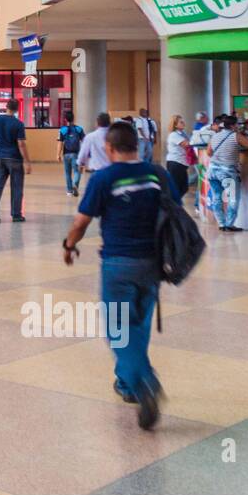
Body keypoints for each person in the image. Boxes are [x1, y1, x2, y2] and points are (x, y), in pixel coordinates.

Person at [61, 121, 178, 430]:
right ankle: (127, 384)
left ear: (109, 148)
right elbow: (175, 213)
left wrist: (69, 246)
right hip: (153, 264)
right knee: (138, 324)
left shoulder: (104, 178)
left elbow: (81, 222)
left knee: (118, 330)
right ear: (138, 146)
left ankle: (147, 383)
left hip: (118, 264)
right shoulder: (159, 174)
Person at [0, 99, 30, 222]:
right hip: (14, 158)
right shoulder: (18, 124)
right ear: (16, 109)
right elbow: (21, 144)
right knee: (17, 187)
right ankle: (16, 214)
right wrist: (27, 161)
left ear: (6, 107)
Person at [207, 114, 248, 232]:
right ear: (234, 125)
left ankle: (221, 224)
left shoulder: (215, 136)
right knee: (233, 199)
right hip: (227, 173)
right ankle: (229, 224)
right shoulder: (235, 136)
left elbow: (209, 152)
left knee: (216, 198)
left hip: (212, 171)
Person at [57, 110, 85, 197]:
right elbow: (84, 142)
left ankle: (69, 191)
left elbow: (60, 143)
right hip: (76, 154)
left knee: (67, 173)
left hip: (66, 154)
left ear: (65, 119)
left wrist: (58, 154)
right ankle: (75, 185)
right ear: (74, 118)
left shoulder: (62, 129)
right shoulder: (79, 129)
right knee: (77, 171)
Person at [164, 114, 193, 200]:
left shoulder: (182, 133)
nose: (183, 123)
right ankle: (173, 205)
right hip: (175, 163)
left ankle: (175, 203)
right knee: (176, 187)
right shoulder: (174, 135)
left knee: (184, 187)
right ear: (175, 124)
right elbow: (186, 144)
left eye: (183, 121)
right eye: (181, 122)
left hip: (181, 163)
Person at [76, 112, 112, 176]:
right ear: (109, 123)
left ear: (97, 123)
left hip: (97, 171)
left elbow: (84, 152)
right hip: (112, 171)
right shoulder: (115, 135)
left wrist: (80, 163)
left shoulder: (90, 136)